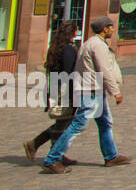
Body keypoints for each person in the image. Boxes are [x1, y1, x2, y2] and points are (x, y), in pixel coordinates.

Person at [42, 16, 129, 173]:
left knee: (105, 123)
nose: (113, 29)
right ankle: (52, 159)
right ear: (105, 29)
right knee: (78, 125)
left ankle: (111, 156)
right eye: (111, 27)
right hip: (90, 90)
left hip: (94, 89)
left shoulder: (91, 43)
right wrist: (115, 92)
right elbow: (104, 70)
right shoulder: (97, 46)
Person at [23, 21, 79, 167]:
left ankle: (45, 148)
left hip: (55, 87)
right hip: (63, 90)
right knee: (64, 122)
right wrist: (75, 93)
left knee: (63, 121)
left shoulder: (56, 47)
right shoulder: (68, 50)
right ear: (73, 32)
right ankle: (50, 152)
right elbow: (68, 73)